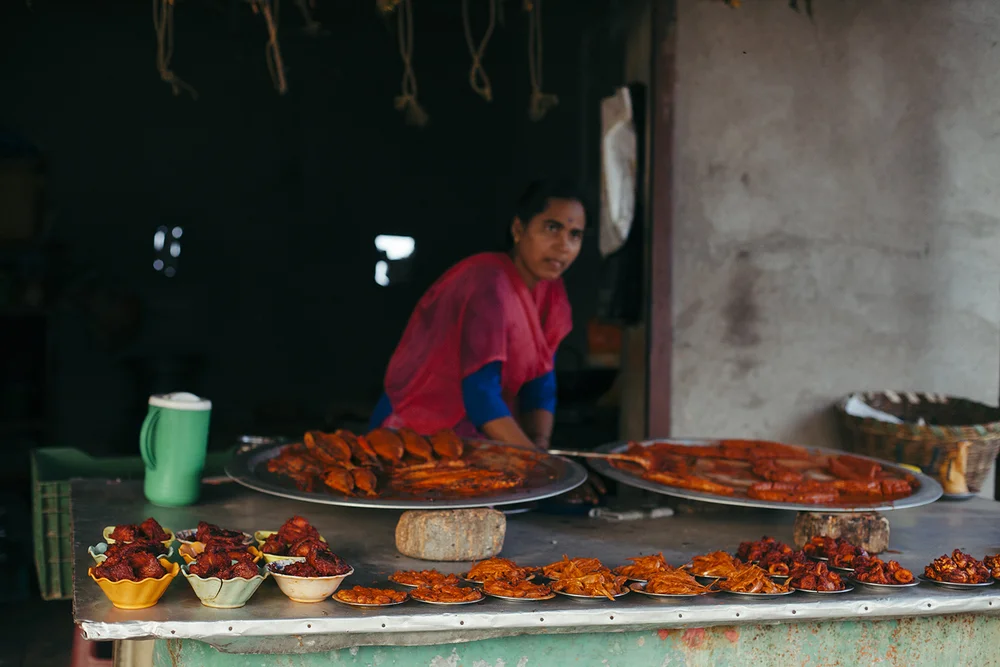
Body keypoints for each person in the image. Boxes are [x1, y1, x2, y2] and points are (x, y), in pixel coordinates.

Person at [369, 180, 586, 450]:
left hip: (479, 435)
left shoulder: (551, 293)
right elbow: (480, 393)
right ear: (519, 229)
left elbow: (540, 381)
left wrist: (540, 445)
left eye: (575, 234)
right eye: (552, 228)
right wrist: (541, 463)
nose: (563, 245)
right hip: (416, 434)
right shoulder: (486, 284)